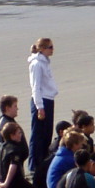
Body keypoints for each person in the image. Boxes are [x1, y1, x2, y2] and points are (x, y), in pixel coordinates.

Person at [27, 37, 58, 172]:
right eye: (50, 47)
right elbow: (36, 87)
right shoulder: (37, 64)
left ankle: (43, 163)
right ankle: (34, 165)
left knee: (46, 134)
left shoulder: (44, 63)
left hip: (48, 99)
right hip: (41, 100)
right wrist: (40, 107)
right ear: (42, 49)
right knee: (38, 134)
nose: (52, 50)